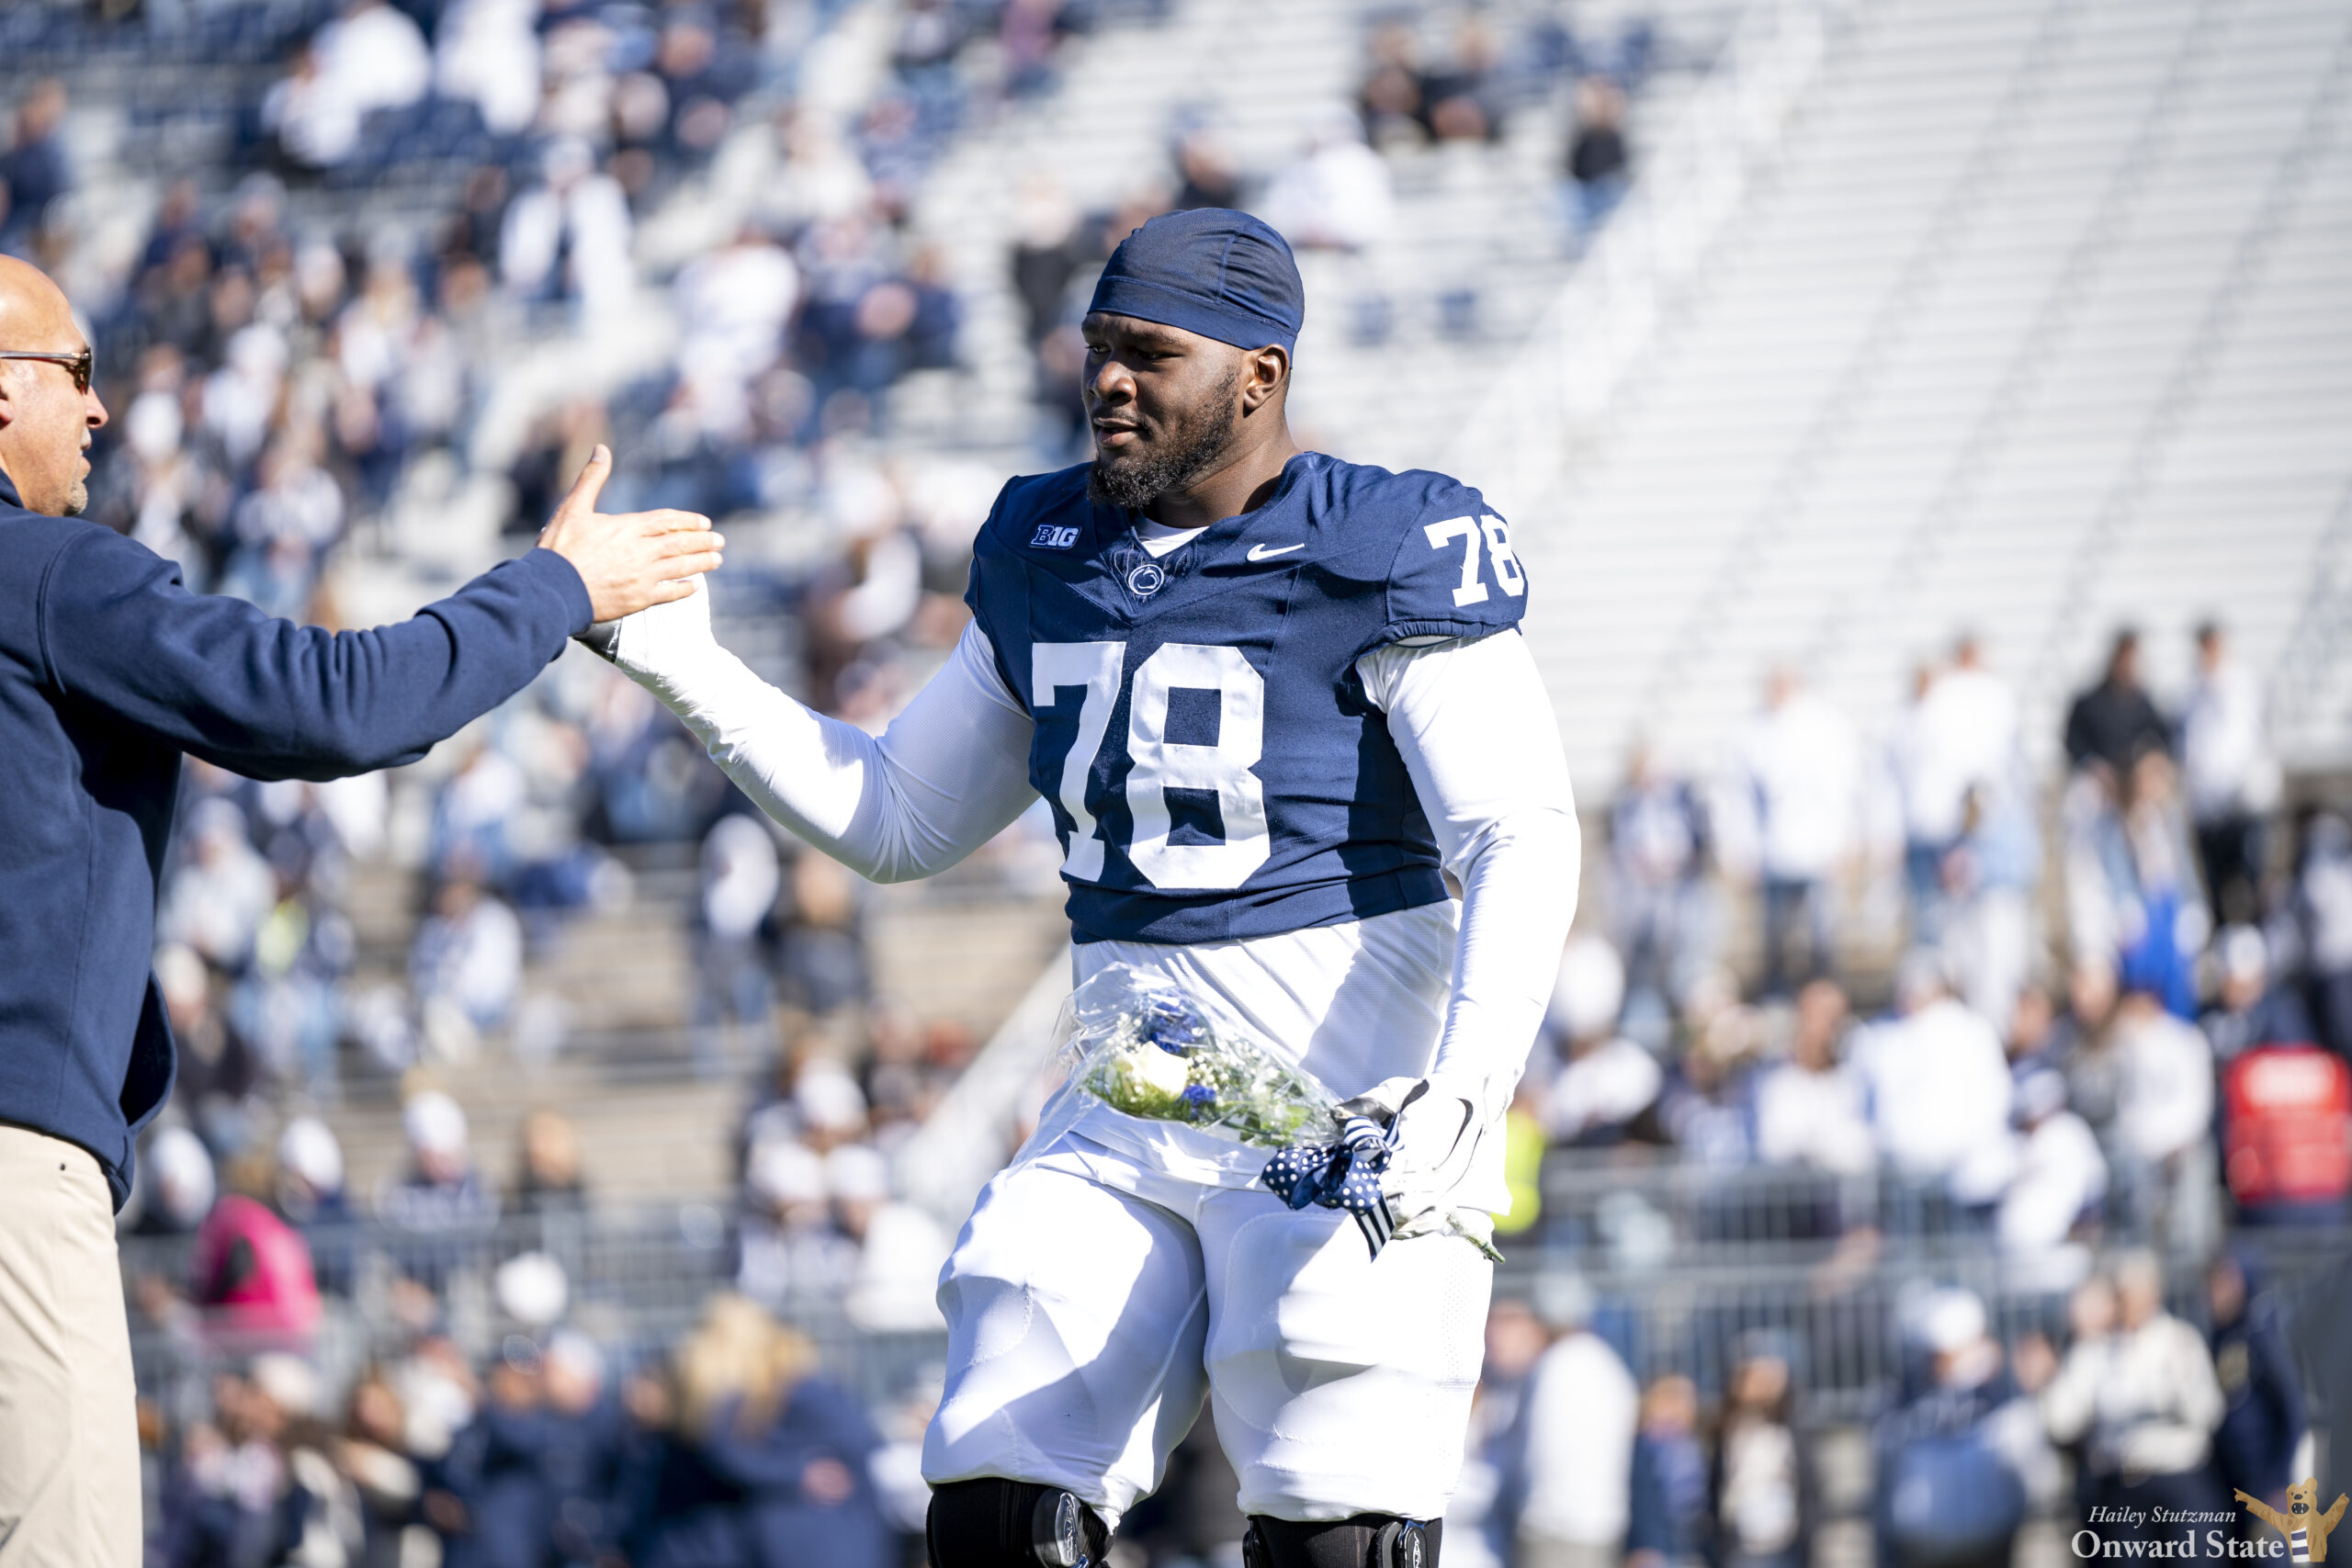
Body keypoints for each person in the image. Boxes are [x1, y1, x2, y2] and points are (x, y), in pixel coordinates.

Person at [592, 209, 1580, 1566]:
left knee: (1340, 1528)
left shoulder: (1390, 539)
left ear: (1259, 375)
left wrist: (1469, 1087)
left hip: (1342, 1111)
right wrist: (677, 658)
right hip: (1126, 1103)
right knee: (1000, 1497)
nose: (1109, 379)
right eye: (1098, 348)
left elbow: (1521, 829)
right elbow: (897, 817)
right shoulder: (1043, 546)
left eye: (1150, 352)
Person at [0, 254, 716, 1566]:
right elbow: (329, 701)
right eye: (79, 372)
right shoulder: (45, 573)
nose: (104, 411)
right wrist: (552, 589)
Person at [2182, 623, 2279, 926]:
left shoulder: (2243, 686)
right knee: (2216, 891)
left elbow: (2248, 744)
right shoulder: (2193, 693)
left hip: (2243, 806)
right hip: (2209, 811)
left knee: (2253, 887)